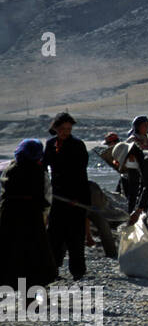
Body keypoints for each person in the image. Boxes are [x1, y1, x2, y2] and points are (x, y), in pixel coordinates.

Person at [0, 139, 57, 288]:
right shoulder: (40, 172)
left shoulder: (9, 169)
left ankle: (9, 282)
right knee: (33, 251)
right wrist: (45, 215)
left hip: (8, 214)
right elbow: (47, 196)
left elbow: (3, 192)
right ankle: (32, 288)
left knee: (9, 249)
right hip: (31, 215)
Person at [43, 113, 91, 281]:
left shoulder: (78, 145)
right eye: (62, 129)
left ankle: (78, 271)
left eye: (69, 129)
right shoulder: (50, 145)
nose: (65, 132)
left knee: (75, 237)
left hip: (75, 198)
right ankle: (52, 270)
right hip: (56, 198)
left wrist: (81, 199)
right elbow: (44, 169)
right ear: (56, 128)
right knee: (54, 235)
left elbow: (82, 174)